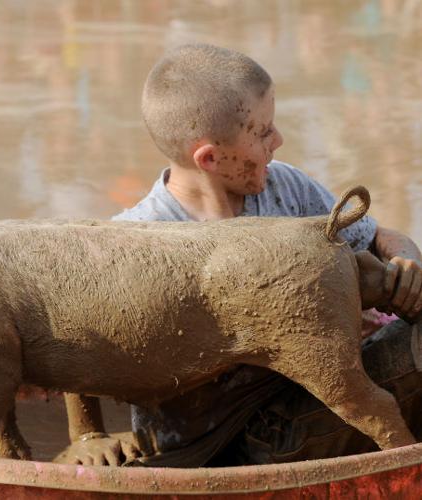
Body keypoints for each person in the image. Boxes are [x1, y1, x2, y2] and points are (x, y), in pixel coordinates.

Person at [58, 43, 422, 467]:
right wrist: (87, 434)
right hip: (230, 440)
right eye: (262, 132)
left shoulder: (282, 186)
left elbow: (378, 237)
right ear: (209, 157)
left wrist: (406, 262)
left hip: (315, 397)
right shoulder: (139, 241)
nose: (278, 140)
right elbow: (74, 334)